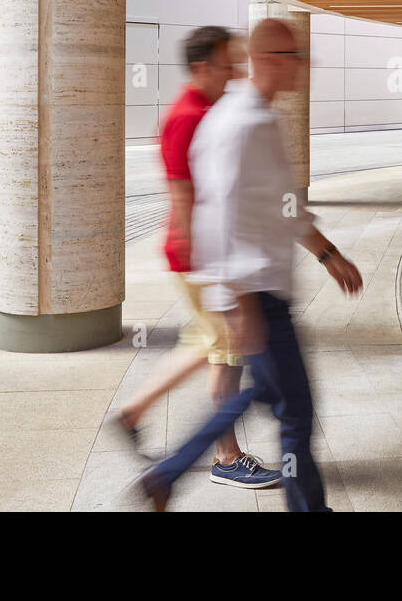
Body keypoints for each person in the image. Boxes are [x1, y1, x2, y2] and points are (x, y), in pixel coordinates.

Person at [135, 19, 363, 511]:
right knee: (296, 413)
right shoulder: (243, 125)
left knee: (269, 393)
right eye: (293, 53)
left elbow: (282, 207)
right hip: (254, 293)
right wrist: (236, 301)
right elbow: (216, 214)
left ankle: (168, 472)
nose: (302, 63)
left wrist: (327, 254)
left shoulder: (253, 116)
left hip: (261, 290)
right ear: (267, 60)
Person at [113, 26, 281, 489]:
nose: (235, 73)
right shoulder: (186, 115)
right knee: (227, 353)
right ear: (202, 67)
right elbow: (182, 190)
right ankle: (226, 458)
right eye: (227, 65)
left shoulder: (207, 107)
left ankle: (132, 412)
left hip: (204, 251)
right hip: (199, 255)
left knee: (208, 342)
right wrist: (208, 262)